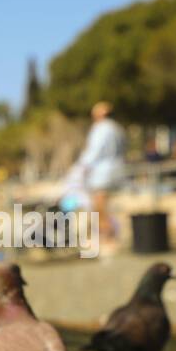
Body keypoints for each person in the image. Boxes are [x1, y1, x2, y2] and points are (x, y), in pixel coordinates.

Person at [76, 101, 126, 244]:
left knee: (99, 206)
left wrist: (82, 166)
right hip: (116, 169)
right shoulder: (118, 128)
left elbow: (94, 151)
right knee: (104, 205)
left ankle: (107, 236)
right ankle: (109, 234)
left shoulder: (101, 128)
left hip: (102, 172)